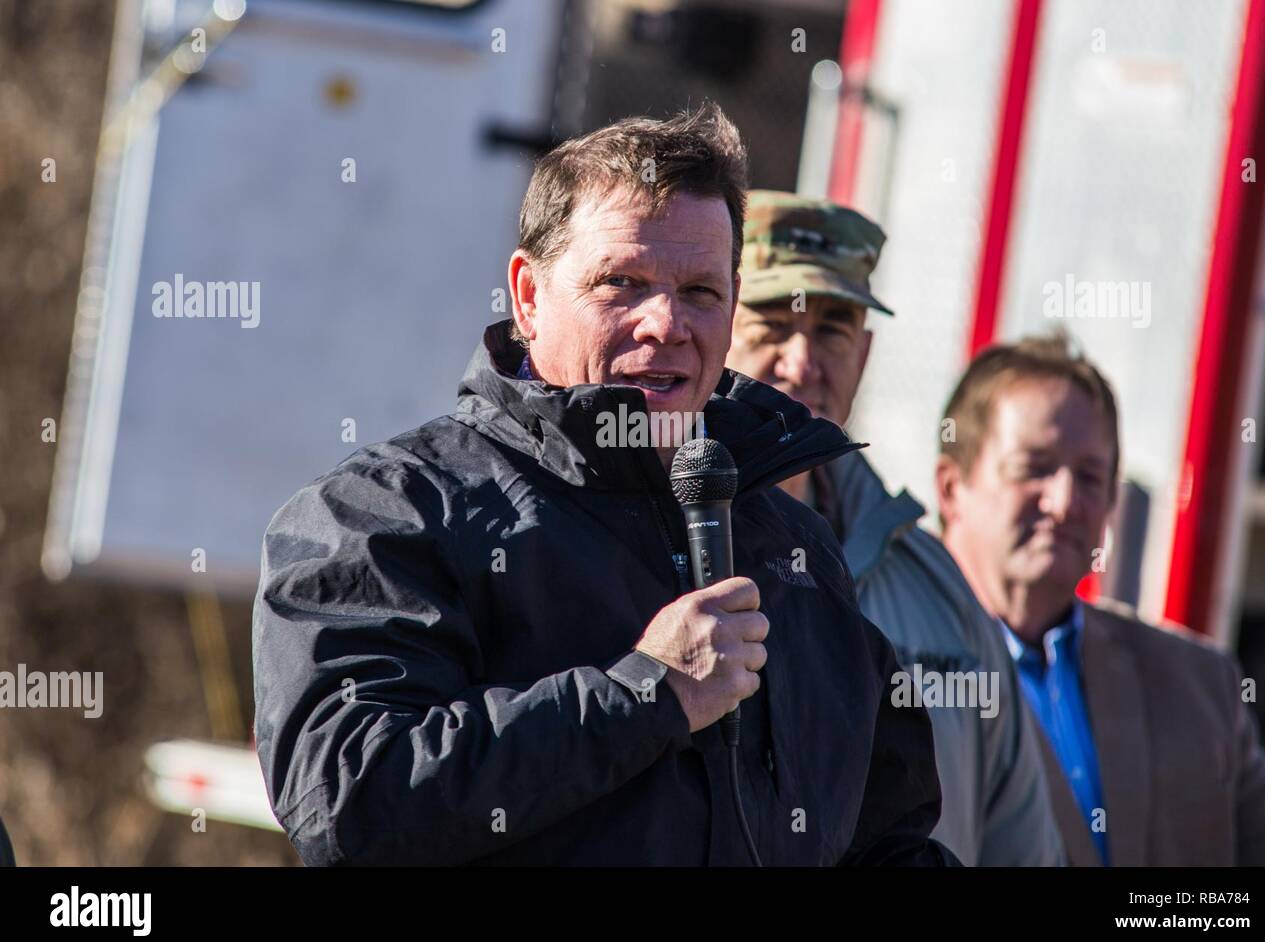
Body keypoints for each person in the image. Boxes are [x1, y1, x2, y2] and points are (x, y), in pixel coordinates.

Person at [252, 104, 956, 866]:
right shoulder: (383, 516)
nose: (666, 323)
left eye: (700, 292)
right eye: (622, 282)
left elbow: (886, 844)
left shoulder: (796, 549)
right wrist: (645, 694)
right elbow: (350, 801)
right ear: (527, 296)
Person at [724, 190, 1063, 866]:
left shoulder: (939, 592)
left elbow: (1021, 848)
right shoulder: (664, 552)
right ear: (714, 331)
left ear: (866, 353)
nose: (802, 363)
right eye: (770, 327)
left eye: (832, 330)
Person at [936, 332, 1265, 865]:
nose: (1064, 503)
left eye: (1089, 476)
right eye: (1034, 467)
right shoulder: (890, 676)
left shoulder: (1202, 688)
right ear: (951, 488)